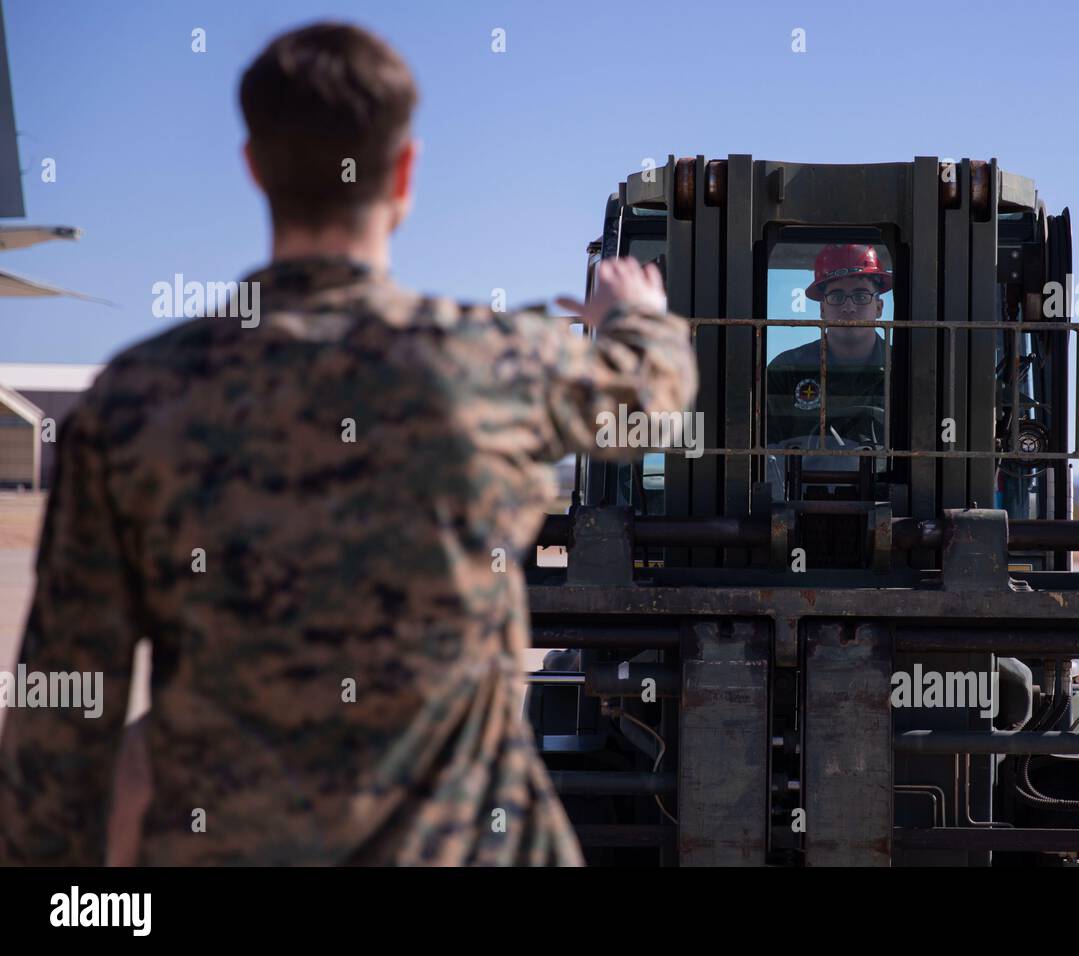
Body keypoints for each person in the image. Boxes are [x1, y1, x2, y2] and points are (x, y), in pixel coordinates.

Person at [0, 22, 695, 866]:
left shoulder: (138, 396)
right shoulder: (495, 363)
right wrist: (632, 314)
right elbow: (654, 403)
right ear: (404, 173)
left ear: (254, 165)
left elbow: (64, 702)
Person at [765, 243, 891, 449]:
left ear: (878, 307)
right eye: (836, 296)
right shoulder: (785, 371)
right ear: (822, 308)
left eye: (861, 296)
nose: (848, 307)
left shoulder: (906, 371)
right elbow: (764, 456)